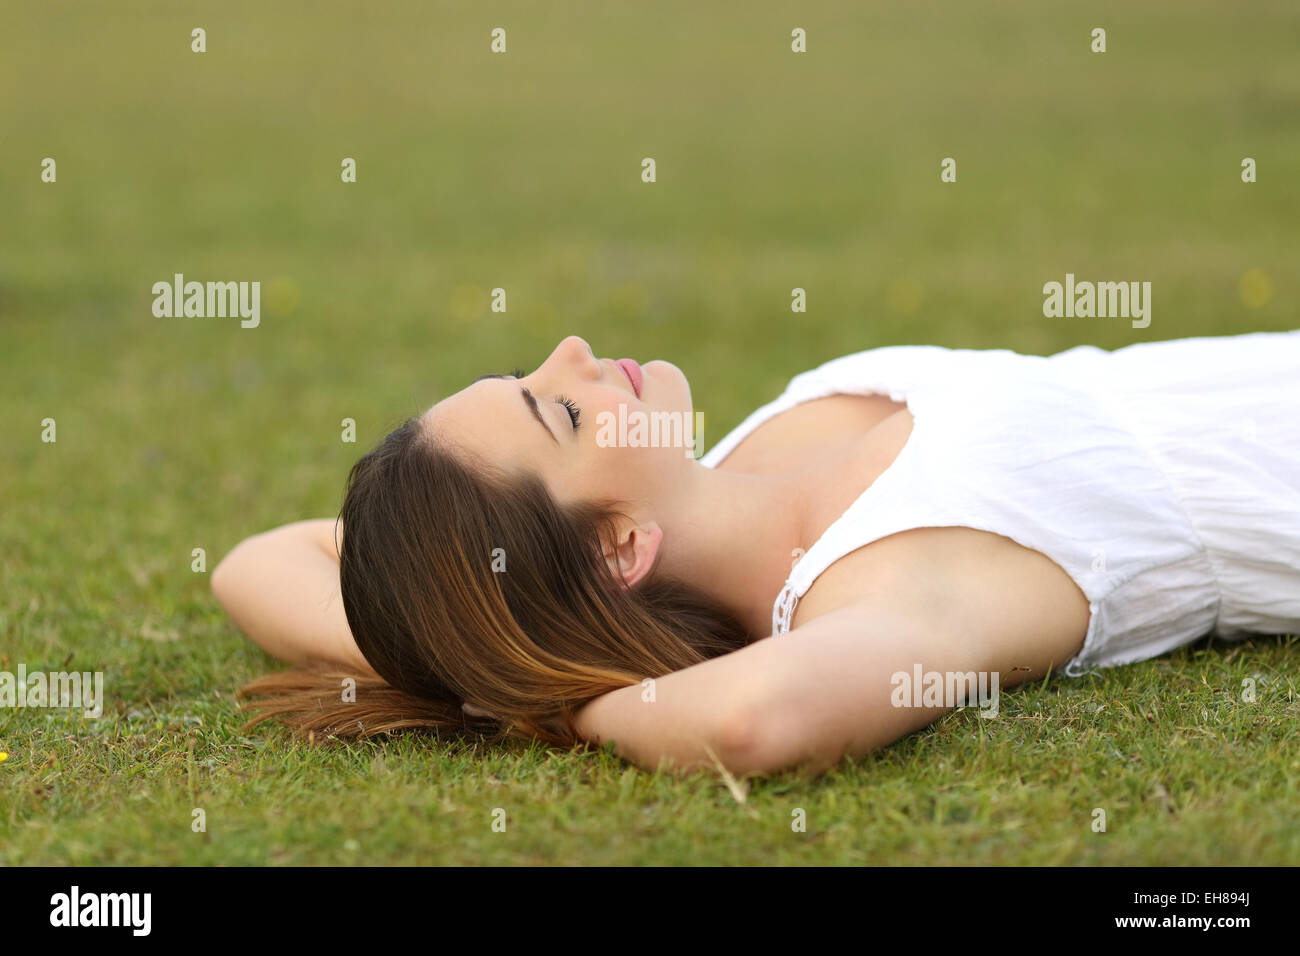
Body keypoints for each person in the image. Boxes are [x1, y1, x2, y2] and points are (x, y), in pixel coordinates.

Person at [213, 331, 1300, 778]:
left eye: (530, 370)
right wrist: (555, 693)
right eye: (556, 410)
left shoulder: (727, 471)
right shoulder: (897, 582)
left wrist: (481, 657)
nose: (576, 352)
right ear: (619, 547)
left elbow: (258, 558)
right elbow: (752, 721)